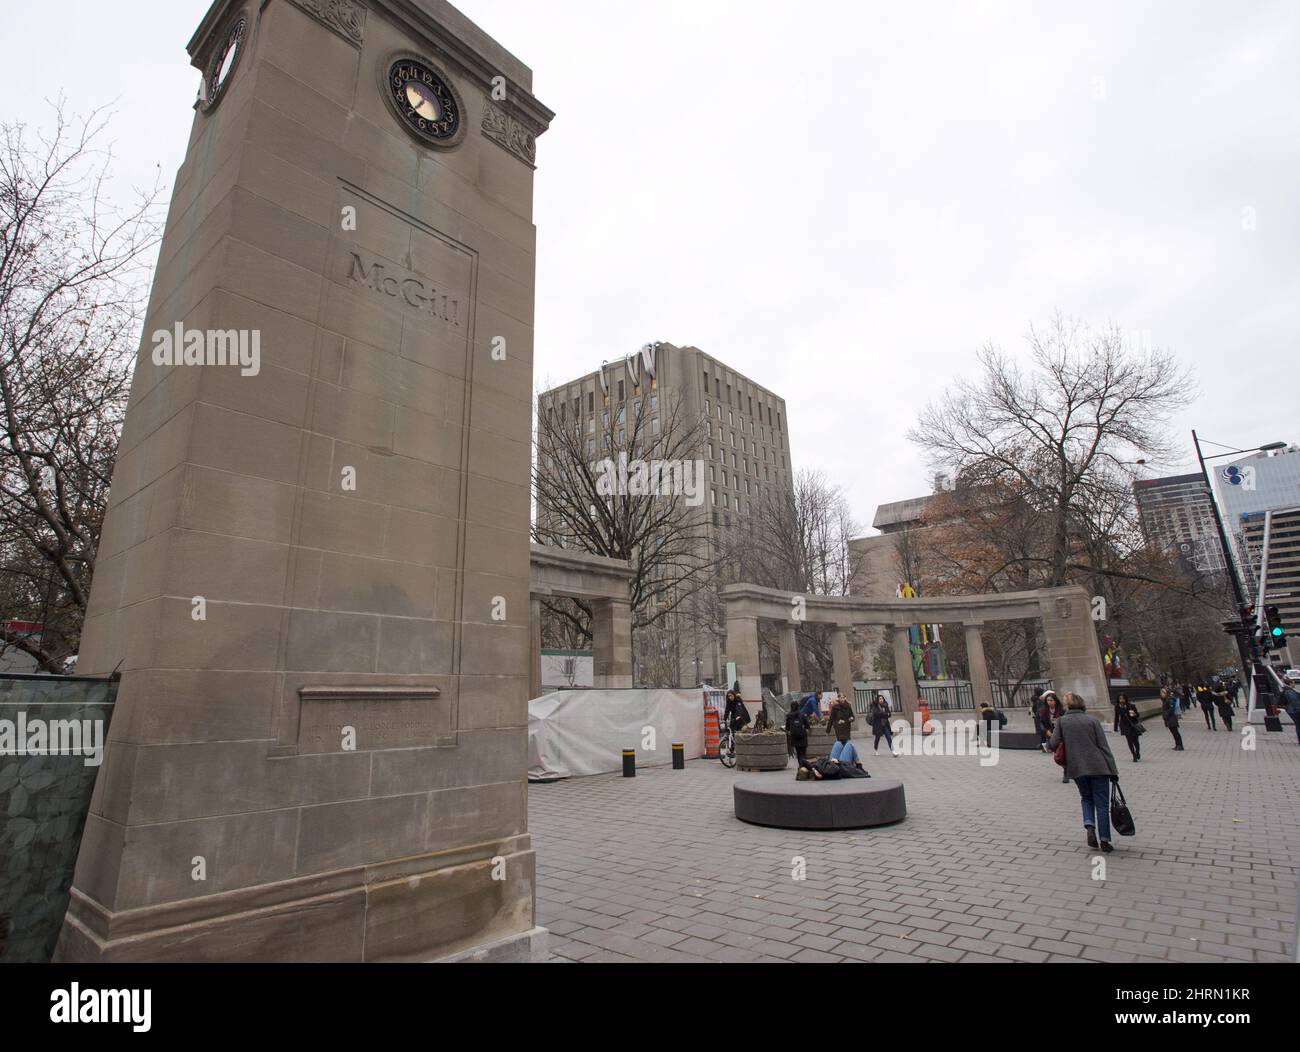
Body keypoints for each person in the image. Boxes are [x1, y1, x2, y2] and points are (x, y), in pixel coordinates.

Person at [1048, 692, 1120, 853]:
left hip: (1077, 768)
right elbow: (1104, 747)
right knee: (1102, 805)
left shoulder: (1062, 721)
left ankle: (1089, 825)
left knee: (1086, 798)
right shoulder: (1092, 720)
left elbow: (1052, 744)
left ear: (1067, 705)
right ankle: (1105, 840)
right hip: (1099, 766)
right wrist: (1113, 770)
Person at [1116, 694, 1143, 762]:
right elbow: (1116, 717)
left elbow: (1137, 715)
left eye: (1123, 699)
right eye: (1120, 699)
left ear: (1125, 699)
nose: (1121, 700)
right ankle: (1134, 755)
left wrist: (1134, 714)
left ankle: (1137, 752)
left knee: (1136, 741)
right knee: (1129, 741)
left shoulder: (1131, 706)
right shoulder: (1117, 707)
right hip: (1125, 726)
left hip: (1133, 725)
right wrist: (1115, 727)